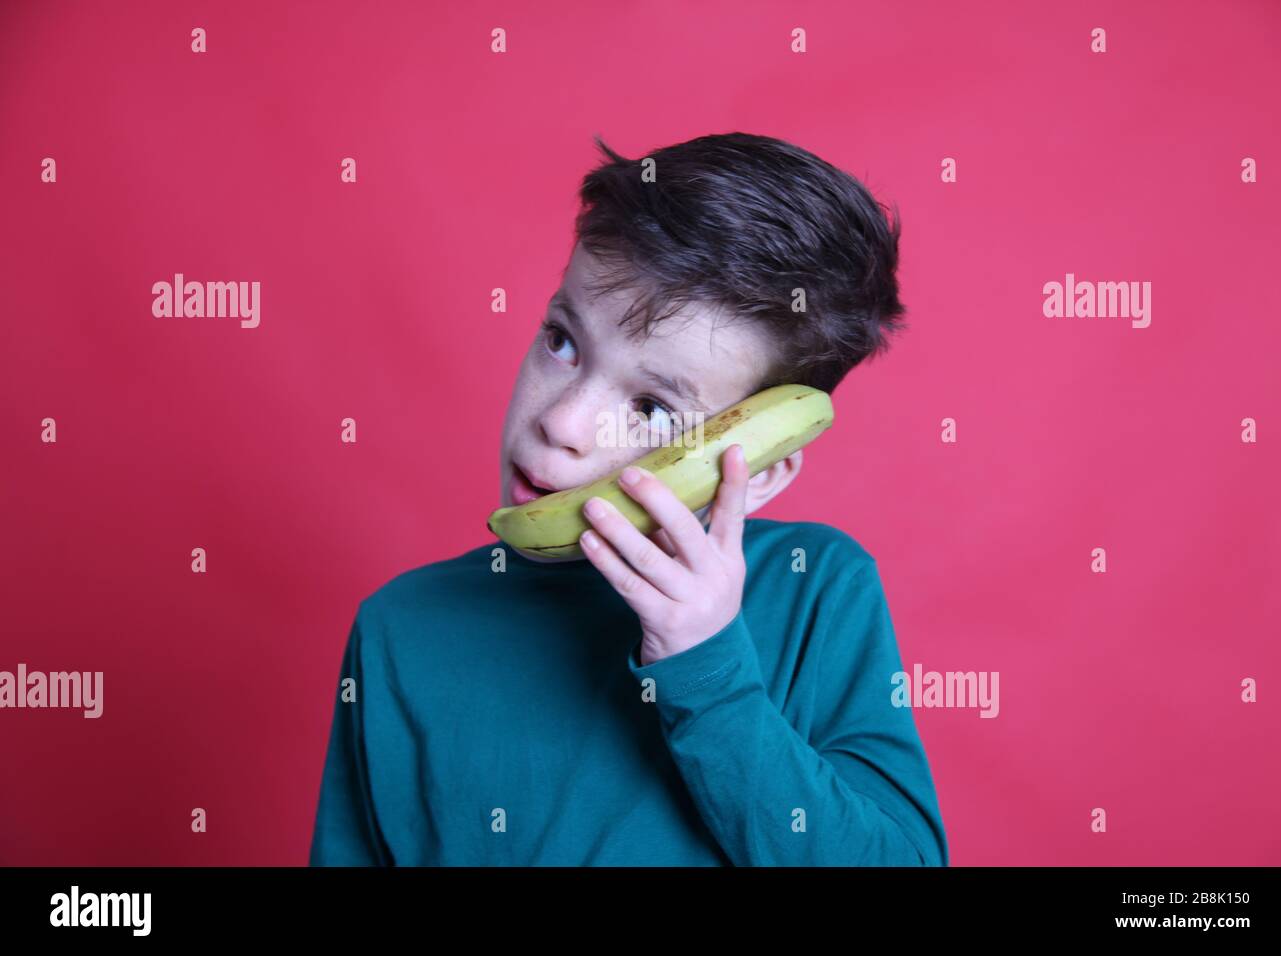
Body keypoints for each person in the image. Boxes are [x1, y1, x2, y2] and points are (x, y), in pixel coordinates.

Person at [308, 132, 948, 866]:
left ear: (759, 467)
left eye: (650, 409)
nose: (561, 422)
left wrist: (709, 675)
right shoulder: (402, 629)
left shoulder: (818, 588)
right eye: (562, 341)